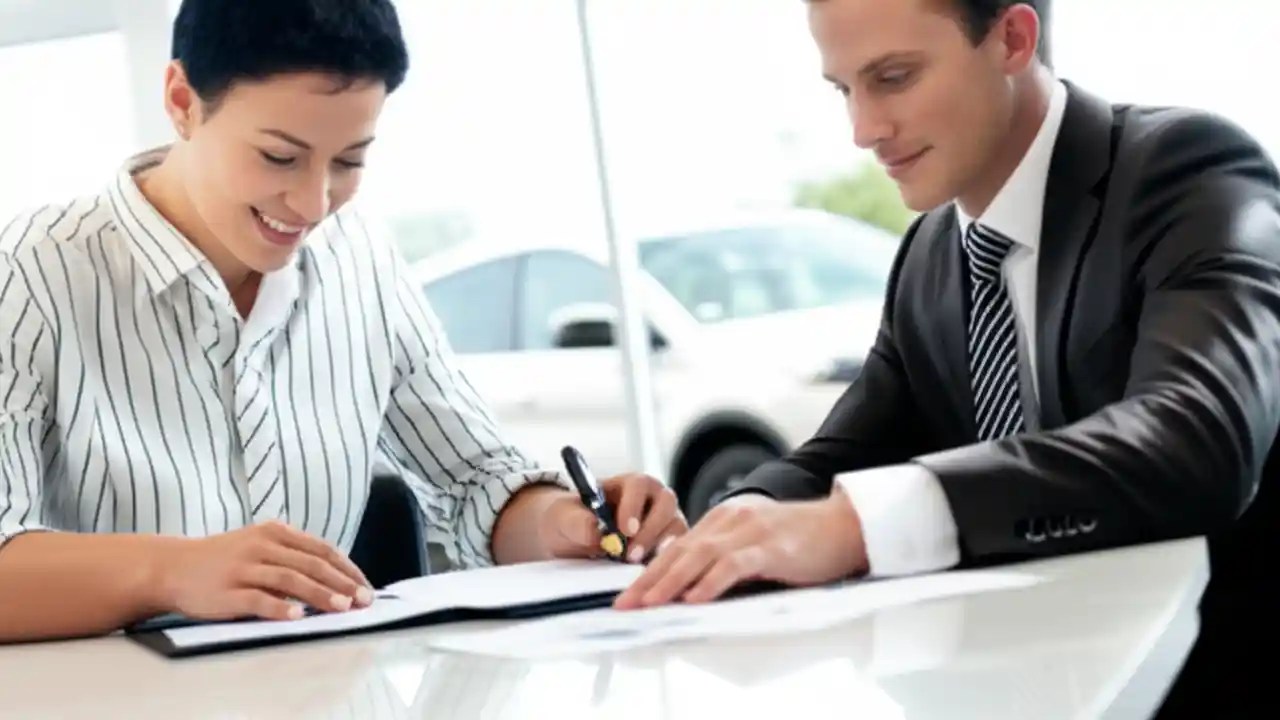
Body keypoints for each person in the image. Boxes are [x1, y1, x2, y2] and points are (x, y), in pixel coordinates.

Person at [613, 0, 1280, 714]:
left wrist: (852, 526)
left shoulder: (1186, 173)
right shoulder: (931, 252)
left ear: (1013, 39)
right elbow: (843, 452)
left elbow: (1196, 438)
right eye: (844, 90)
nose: (864, 130)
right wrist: (730, 527)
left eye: (893, 78)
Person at [0, 0, 686, 643]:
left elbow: (476, 480)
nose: (313, 201)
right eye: (279, 157)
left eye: (351, 160)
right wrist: (173, 569)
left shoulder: (359, 259)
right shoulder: (31, 274)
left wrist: (570, 524)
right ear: (182, 102)